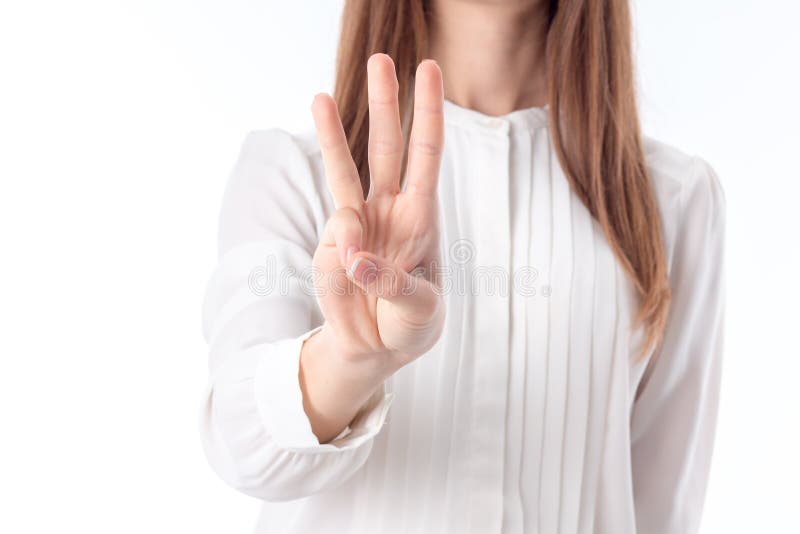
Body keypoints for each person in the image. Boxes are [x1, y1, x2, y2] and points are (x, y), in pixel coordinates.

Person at [199, 1, 725, 532]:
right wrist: (351, 356)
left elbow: (663, 514)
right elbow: (244, 442)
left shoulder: (675, 202)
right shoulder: (291, 176)